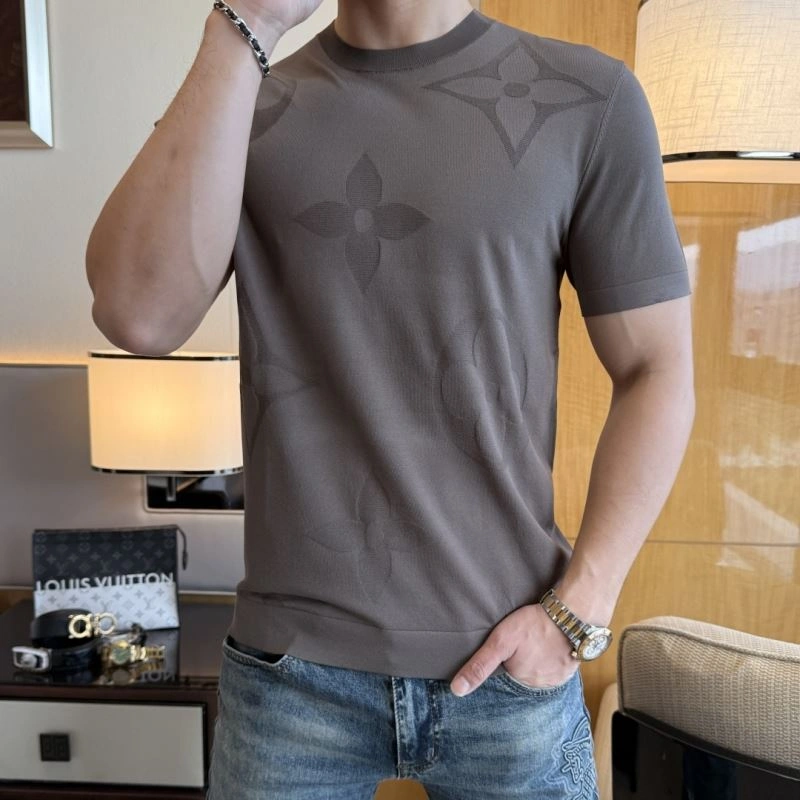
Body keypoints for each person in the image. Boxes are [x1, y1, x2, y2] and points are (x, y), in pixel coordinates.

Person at [85, 0, 696, 797]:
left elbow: (656, 369)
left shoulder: (586, 98)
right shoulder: (244, 103)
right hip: (289, 682)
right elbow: (137, 316)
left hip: (511, 678)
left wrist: (580, 608)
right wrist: (248, 22)